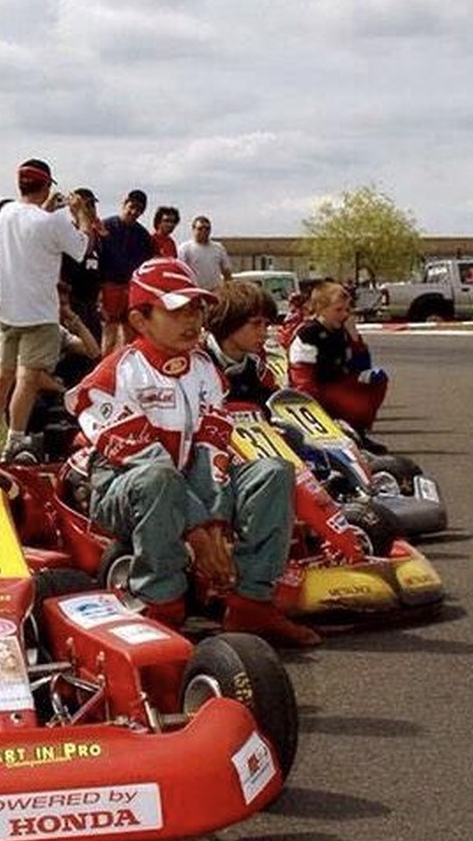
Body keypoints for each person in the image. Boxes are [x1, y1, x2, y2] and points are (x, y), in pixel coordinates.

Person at [63, 257, 321, 647]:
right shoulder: (112, 378)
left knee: (274, 471)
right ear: (140, 320)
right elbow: (147, 461)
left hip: (187, 484)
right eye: (176, 310)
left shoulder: (205, 370)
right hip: (122, 492)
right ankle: (161, 606)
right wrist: (200, 534)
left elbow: (212, 450)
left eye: (197, 309)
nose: (192, 321)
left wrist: (214, 523)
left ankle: (251, 603)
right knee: (159, 477)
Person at [0, 158, 91, 460]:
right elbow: (82, 248)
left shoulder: (5, 212)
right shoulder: (53, 222)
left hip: (8, 309)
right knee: (27, 379)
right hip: (40, 313)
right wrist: (80, 214)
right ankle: (15, 439)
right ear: (46, 185)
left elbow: (31, 228)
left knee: (3, 374)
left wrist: (48, 209)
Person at [288, 280, 389, 434]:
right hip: (320, 388)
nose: (344, 315)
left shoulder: (341, 331)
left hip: (340, 382)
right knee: (357, 408)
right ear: (321, 308)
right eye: (338, 310)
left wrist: (354, 337)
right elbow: (302, 379)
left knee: (377, 378)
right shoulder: (308, 335)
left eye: (347, 310)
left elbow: (362, 366)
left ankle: (359, 430)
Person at [205, 279, 284, 405]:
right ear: (230, 320)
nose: (264, 334)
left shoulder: (260, 371)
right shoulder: (196, 364)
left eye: (266, 325)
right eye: (256, 324)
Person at [96, 188, 154, 354]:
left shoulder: (143, 235)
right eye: (132, 207)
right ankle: (104, 364)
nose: (134, 212)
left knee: (130, 332)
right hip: (109, 286)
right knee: (109, 332)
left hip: (130, 288)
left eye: (139, 209)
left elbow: (144, 266)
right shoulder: (106, 226)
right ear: (124, 204)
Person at [59, 186, 103, 346]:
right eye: (86, 205)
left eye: (92, 205)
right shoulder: (69, 232)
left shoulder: (98, 236)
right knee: (77, 349)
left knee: (95, 346)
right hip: (73, 301)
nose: (91, 210)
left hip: (91, 303)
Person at [178, 215, 233, 290]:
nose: (204, 231)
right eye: (200, 228)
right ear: (193, 229)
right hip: (195, 291)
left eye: (207, 228)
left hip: (216, 291)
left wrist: (229, 288)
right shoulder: (184, 248)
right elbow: (180, 272)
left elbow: (226, 272)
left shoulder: (218, 248)